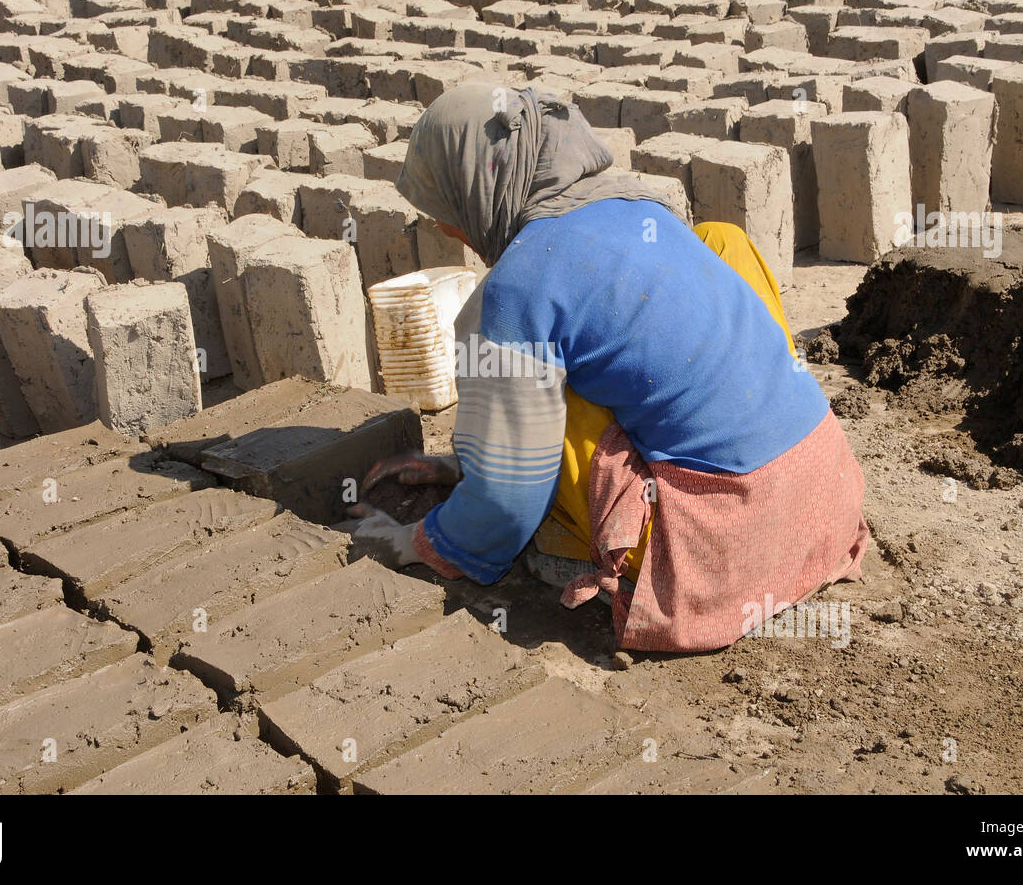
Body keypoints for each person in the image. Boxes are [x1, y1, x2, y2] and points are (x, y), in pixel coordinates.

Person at [346, 83, 868, 653]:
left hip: (727, 552)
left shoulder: (521, 284)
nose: (449, 230)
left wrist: (413, 542)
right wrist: (462, 462)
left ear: (480, 184)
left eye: (445, 208)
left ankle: (586, 552)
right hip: (827, 499)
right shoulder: (640, 207)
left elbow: (507, 496)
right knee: (707, 255)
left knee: (525, 382)